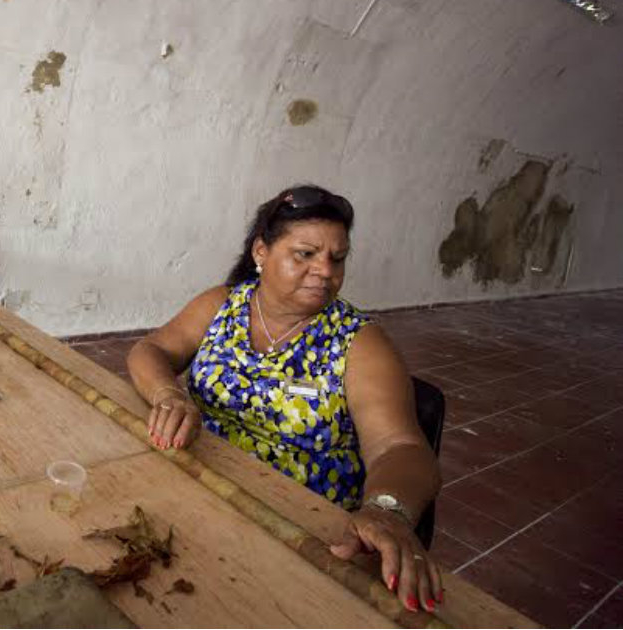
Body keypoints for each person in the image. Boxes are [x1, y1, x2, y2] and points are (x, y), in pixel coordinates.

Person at [126, 185, 443, 614]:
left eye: (337, 258)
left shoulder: (360, 343)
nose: (324, 271)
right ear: (262, 252)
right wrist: (169, 394)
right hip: (207, 481)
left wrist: (387, 510)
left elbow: (400, 446)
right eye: (305, 254)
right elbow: (151, 350)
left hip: (297, 522)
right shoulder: (223, 305)